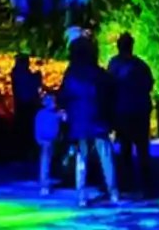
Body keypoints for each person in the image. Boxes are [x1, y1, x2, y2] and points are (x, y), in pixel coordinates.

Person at [59, 37, 118, 208]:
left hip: (78, 120)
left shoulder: (71, 73)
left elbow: (64, 96)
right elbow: (110, 92)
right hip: (98, 118)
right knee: (105, 155)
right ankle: (113, 191)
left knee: (81, 158)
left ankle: (81, 195)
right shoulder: (98, 73)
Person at [107, 32, 154, 198]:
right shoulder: (140, 65)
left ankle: (128, 185)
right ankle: (145, 185)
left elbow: (109, 87)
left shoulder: (114, 65)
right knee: (142, 150)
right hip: (139, 109)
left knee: (125, 150)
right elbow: (149, 85)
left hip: (123, 111)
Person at [11, 53, 43, 158]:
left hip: (24, 104)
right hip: (26, 103)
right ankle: (25, 151)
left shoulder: (17, 73)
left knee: (24, 127)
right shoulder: (20, 74)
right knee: (26, 127)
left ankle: (24, 150)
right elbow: (33, 84)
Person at [35, 93, 64, 196]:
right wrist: (39, 139)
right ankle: (44, 185)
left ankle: (61, 179)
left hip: (56, 142)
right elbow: (37, 128)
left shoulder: (57, 114)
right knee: (45, 163)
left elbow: (64, 120)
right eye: (51, 101)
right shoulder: (41, 114)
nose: (53, 103)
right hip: (46, 142)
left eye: (54, 101)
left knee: (56, 162)